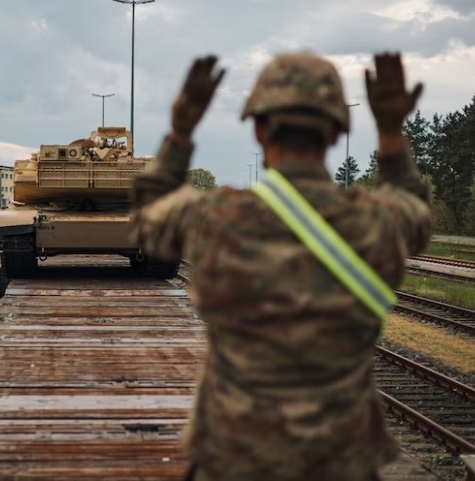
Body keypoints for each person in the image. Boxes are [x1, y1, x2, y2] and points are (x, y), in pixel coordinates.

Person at [128, 52, 431, 480]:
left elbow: (148, 217)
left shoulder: (215, 219)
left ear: (258, 129)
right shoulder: (376, 222)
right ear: (335, 133)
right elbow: (416, 213)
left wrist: (181, 130)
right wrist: (391, 132)